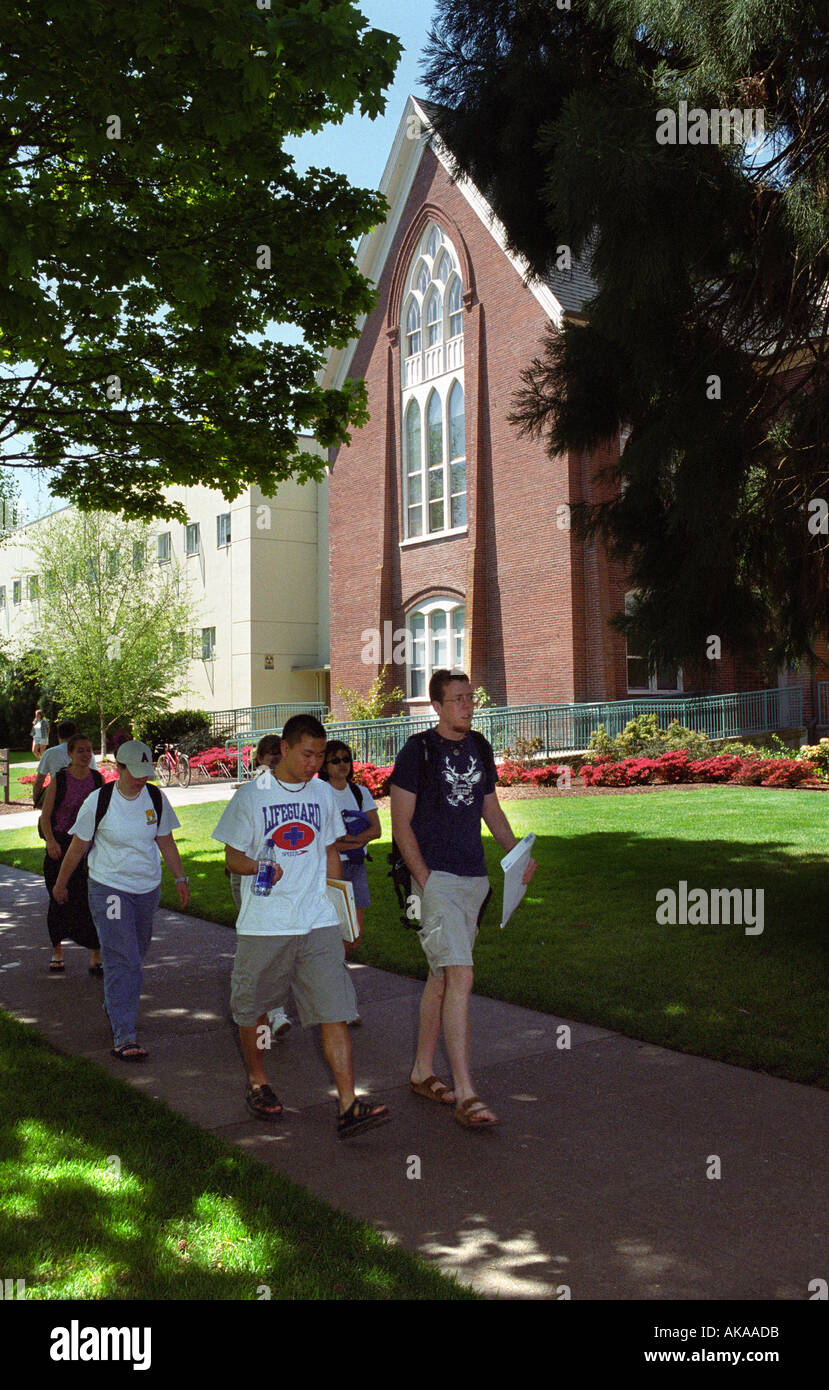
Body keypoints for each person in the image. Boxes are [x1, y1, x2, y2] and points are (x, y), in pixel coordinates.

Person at [211, 713, 390, 1138]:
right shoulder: (252, 796)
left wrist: (342, 909)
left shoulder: (324, 794)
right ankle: (258, 1082)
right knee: (252, 1008)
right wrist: (261, 866)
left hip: (317, 920)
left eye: (320, 755)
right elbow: (232, 858)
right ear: (285, 749)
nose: (315, 763)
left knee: (335, 1011)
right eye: (307, 754)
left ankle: (348, 1104)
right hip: (266, 923)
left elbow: (330, 850)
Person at [390, 669, 537, 1129]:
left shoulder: (479, 747)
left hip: (474, 878)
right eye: (456, 700)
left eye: (469, 698)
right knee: (462, 975)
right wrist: (425, 879)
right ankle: (467, 1093)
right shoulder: (418, 751)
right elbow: (400, 824)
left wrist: (516, 856)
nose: (467, 707)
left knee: (440, 977)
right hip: (437, 880)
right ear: (436, 706)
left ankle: (420, 1070)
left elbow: (489, 806)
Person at [51, 740, 190, 1062]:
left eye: (146, 772)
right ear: (119, 769)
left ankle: (115, 1003)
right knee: (122, 957)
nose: (142, 779)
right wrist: (61, 884)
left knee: (135, 953)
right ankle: (124, 1036)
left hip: (147, 889)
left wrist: (180, 878)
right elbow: (76, 847)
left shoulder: (155, 797)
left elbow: (165, 840)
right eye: (135, 773)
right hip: (109, 888)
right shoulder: (99, 801)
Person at [227, 734, 292, 1040]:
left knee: (277, 946)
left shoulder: (292, 792)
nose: (275, 763)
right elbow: (234, 853)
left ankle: (274, 1012)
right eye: (270, 757)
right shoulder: (250, 794)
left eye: (280, 756)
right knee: (258, 945)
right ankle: (257, 1010)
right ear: (261, 759)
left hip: (280, 877)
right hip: (252, 876)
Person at [317, 740, 382, 1026]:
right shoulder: (320, 793)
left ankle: (328, 982)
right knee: (335, 936)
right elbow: (323, 840)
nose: (342, 764)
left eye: (346, 759)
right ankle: (342, 1002)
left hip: (356, 867)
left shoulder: (359, 792)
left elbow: (376, 829)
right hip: (331, 870)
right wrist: (349, 841)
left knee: (352, 938)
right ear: (324, 766)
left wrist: (350, 841)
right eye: (335, 760)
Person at [40, 733, 104, 976]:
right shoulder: (61, 779)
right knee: (58, 898)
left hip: (86, 848)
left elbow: (101, 816)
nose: (86, 755)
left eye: (89, 750)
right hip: (59, 846)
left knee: (89, 901)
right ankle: (57, 951)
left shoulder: (97, 780)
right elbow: (45, 817)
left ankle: (95, 955)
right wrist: (51, 841)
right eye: (80, 750)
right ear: (70, 753)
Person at [32, 720, 99, 808]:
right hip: (84, 800)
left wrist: (37, 801)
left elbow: (39, 781)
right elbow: (94, 777)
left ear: (58, 735)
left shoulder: (50, 753)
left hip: (58, 799)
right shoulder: (87, 754)